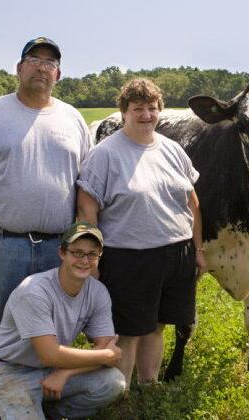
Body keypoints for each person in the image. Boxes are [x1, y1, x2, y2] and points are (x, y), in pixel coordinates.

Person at [0, 37, 92, 419]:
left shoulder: (73, 119)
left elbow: (85, 187)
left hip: (57, 247)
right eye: (34, 59)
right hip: (1, 244)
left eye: (50, 62)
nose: (42, 67)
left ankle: (41, 392)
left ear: (58, 74)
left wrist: (84, 243)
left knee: (52, 323)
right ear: (19, 68)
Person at [77, 78, 205, 387]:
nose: (146, 115)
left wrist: (198, 250)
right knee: (129, 331)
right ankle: (119, 393)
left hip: (176, 254)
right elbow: (86, 209)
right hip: (129, 257)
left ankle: (149, 385)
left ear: (160, 110)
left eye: (152, 107)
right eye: (138, 108)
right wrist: (92, 260)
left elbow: (192, 203)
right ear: (124, 112)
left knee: (157, 326)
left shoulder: (173, 150)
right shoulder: (106, 154)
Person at [0, 222, 126, 419]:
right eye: (77, 253)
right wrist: (106, 355)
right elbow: (50, 354)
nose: (84, 260)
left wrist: (65, 373)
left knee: (114, 382)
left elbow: (105, 346)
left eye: (92, 254)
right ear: (62, 253)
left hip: (55, 370)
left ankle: (52, 413)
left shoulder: (98, 292)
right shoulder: (33, 291)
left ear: (99, 257)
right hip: (11, 370)